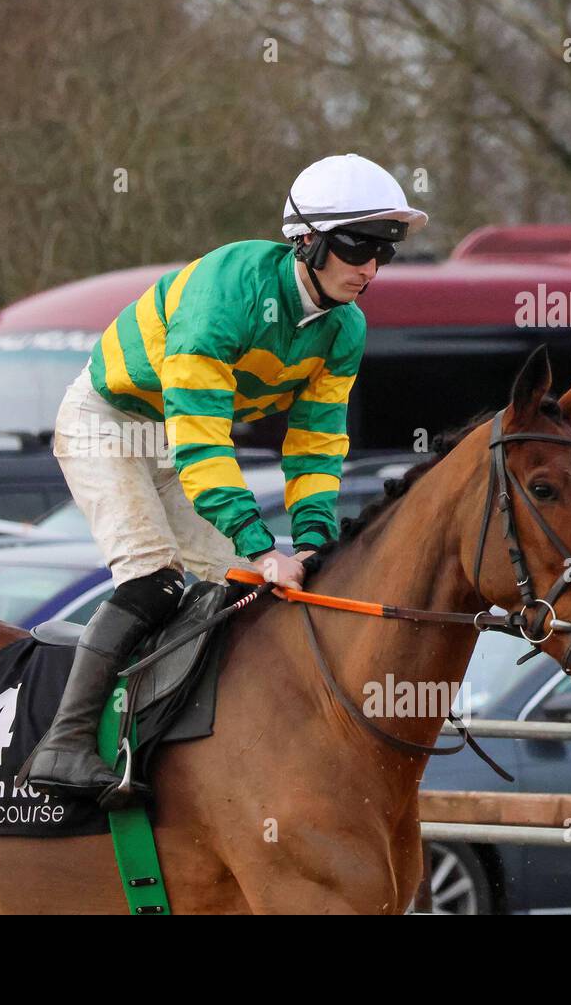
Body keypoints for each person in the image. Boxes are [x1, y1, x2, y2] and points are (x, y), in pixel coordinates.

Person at [26, 154, 428, 808]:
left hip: (179, 439)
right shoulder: (224, 293)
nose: (371, 268)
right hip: (113, 423)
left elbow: (316, 445)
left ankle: (172, 750)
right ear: (307, 240)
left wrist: (312, 542)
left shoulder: (344, 330)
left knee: (224, 593)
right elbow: (203, 440)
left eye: (384, 252)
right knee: (155, 578)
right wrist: (262, 543)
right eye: (358, 247)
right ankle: (63, 743)